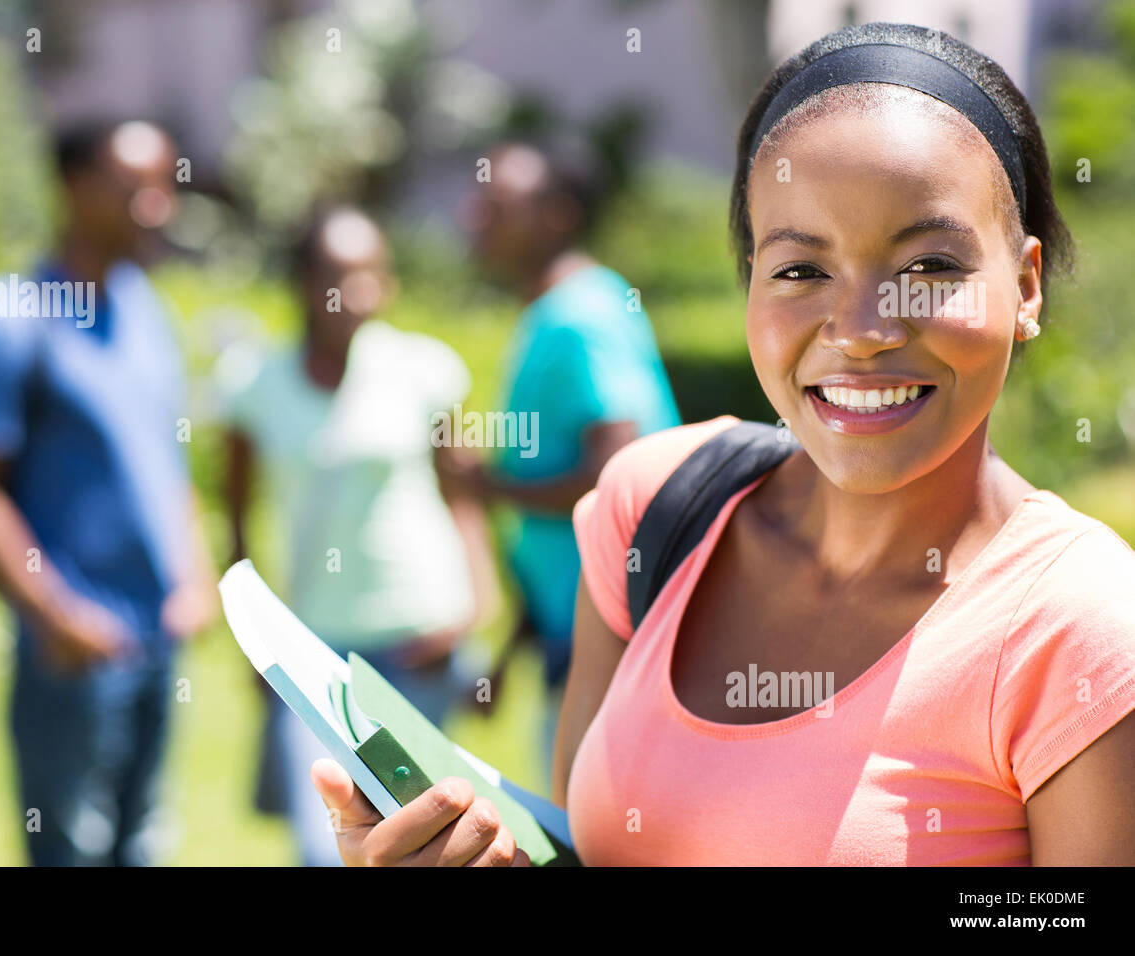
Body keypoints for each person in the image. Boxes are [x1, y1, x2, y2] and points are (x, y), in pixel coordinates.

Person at [308, 22, 1135, 866]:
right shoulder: (656, 508)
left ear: (1025, 285)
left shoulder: (1078, 627)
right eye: (800, 270)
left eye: (928, 266)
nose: (860, 332)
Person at [0, 119, 218, 866]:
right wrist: (55, 612)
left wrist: (194, 574)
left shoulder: (146, 311)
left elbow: (165, 460)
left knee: (143, 844)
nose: (156, 206)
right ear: (71, 188)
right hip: (71, 651)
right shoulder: (10, 322)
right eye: (133, 189)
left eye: (164, 186)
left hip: (159, 639)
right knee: (69, 850)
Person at [217, 204, 500, 867]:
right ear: (301, 282)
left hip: (418, 637)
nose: (357, 292)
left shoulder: (426, 371)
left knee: (424, 839)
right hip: (312, 644)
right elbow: (236, 516)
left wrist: (475, 607)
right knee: (325, 843)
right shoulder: (254, 385)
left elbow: (462, 495)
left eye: (372, 274)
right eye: (338, 275)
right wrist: (252, 639)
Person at [441, 140, 680, 776]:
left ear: (558, 216)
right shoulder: (550, 311)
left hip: (614, 634)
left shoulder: (582, 314)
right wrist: (510, 651)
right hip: (572, 631)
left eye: (498, 206)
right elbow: (558, 531)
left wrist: (481, 486)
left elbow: (617, 477)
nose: (475, 217)